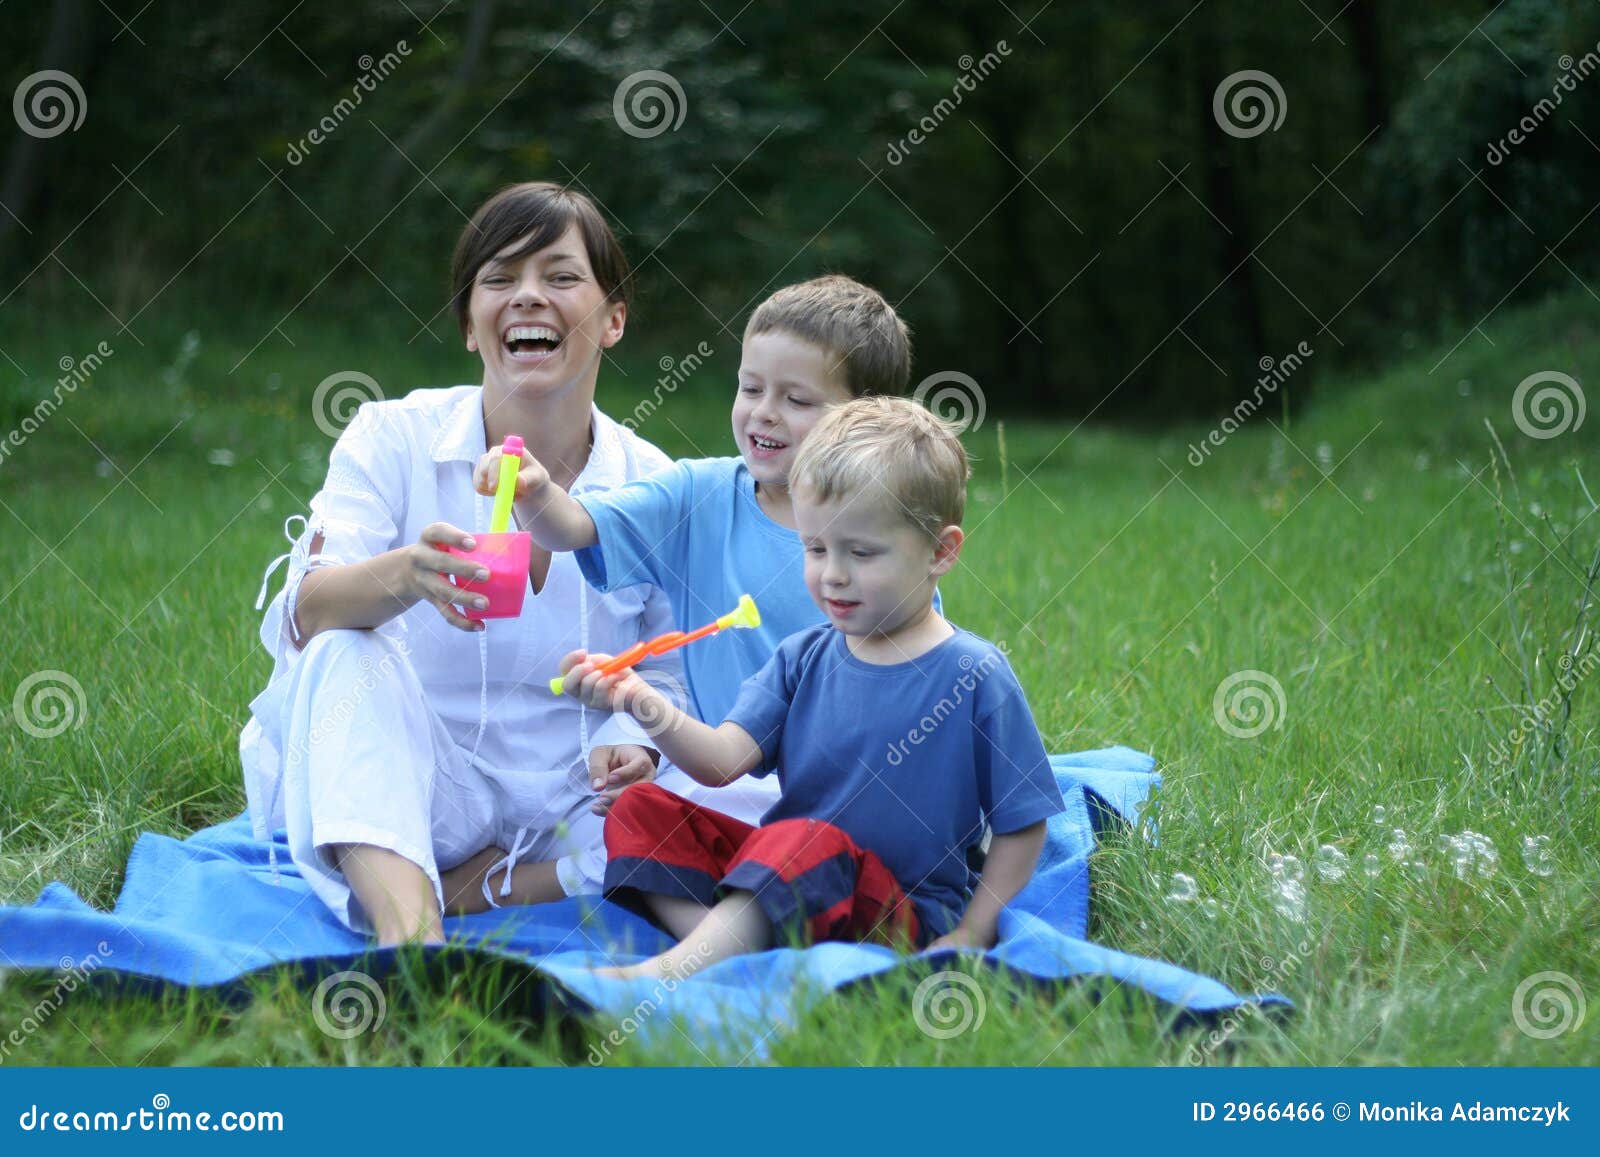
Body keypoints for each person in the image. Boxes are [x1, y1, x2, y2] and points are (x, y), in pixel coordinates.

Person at [240, 182, 679, 945]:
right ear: (471, 326)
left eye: (560, 275)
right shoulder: (392, 437)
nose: (527, 296)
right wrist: (408, 574)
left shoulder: (655, 484)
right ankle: (414, 942)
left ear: (613, 320)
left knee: (740, 783)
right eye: (499, 278)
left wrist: (637, 741)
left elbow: (676, 664)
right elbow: (307, 612)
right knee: (346, 644)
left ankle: (476, 889)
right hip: (418, 791)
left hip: (579, 809)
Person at [558, 397, 1066, 981]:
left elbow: (1023, 823)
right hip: (779, 870)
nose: (833, 575)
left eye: (862, 553)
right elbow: (723, 762)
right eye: (816, 548)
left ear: (941, 552)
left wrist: (971, 932)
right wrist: (642, 704)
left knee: (802, 841)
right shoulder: (803, 656)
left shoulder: (974, 674)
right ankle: (729, 947)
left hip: (893, 908)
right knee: (639, 809)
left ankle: (676, 971)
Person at [472, 275, 919, 823]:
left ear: (867, 416)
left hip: (850, 785)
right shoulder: (696, 494)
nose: (764, 413)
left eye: (796, 399)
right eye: (751, 388)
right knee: (635, 827)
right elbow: (569, 529)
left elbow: (918, 672)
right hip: (716, 775)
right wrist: (537, 491)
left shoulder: (885, 528)